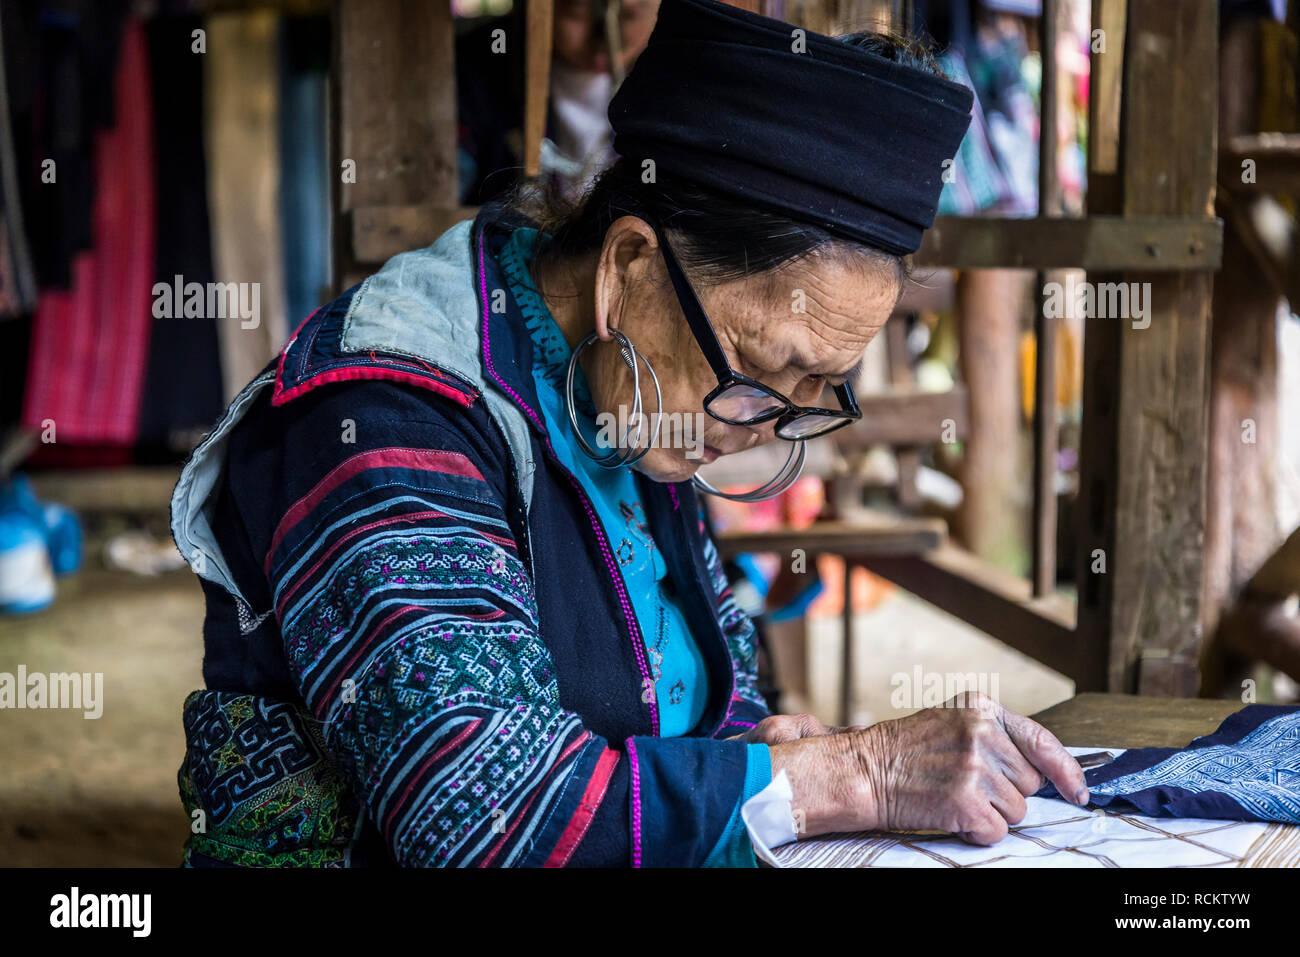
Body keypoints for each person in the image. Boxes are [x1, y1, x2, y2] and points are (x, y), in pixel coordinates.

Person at [171, 0, 1087, 867]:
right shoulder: (385, 411)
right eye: (758, 369)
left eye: (813, 391)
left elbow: (701, 696)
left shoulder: (629, 382)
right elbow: (480, 818)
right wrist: (851, 775)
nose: (757, 426)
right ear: (631, 265)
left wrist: (761, 759)